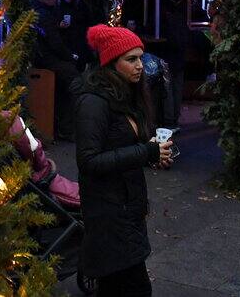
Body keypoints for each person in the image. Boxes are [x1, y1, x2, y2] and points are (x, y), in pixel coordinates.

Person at [75, 24, 173, 297]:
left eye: (141, 57)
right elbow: (89, 161)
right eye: (131, 59)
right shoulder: (93, 102)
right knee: (134, 288)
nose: (140, 65)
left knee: (120, 287)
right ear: (111, 62)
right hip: (108, 211)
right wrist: (146, 153)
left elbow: (129, 147)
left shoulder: (129, 95)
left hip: (128, 208)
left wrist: (154, 155)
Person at [33, 0, 81, 140]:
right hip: (48, 59)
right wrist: (71, 57)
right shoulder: (44, 15)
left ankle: (62, 124)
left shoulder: (40, 11)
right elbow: (55, 43)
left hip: (44, 57)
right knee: (75, 81)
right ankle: (67, 127)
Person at [158, 0, 189, 127]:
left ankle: (169, 120)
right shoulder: (181, 8)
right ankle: (174, 118)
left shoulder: (161, 8)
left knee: (168, 86)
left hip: (168, 52)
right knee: (176, 86)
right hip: (179, 52)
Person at [56, 0, 91, 67]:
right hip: (63, 43)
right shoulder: (57, 5)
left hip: (78, 42)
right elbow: (51, 21)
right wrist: (59, 25)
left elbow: (88, 22)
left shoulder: (81, 5)